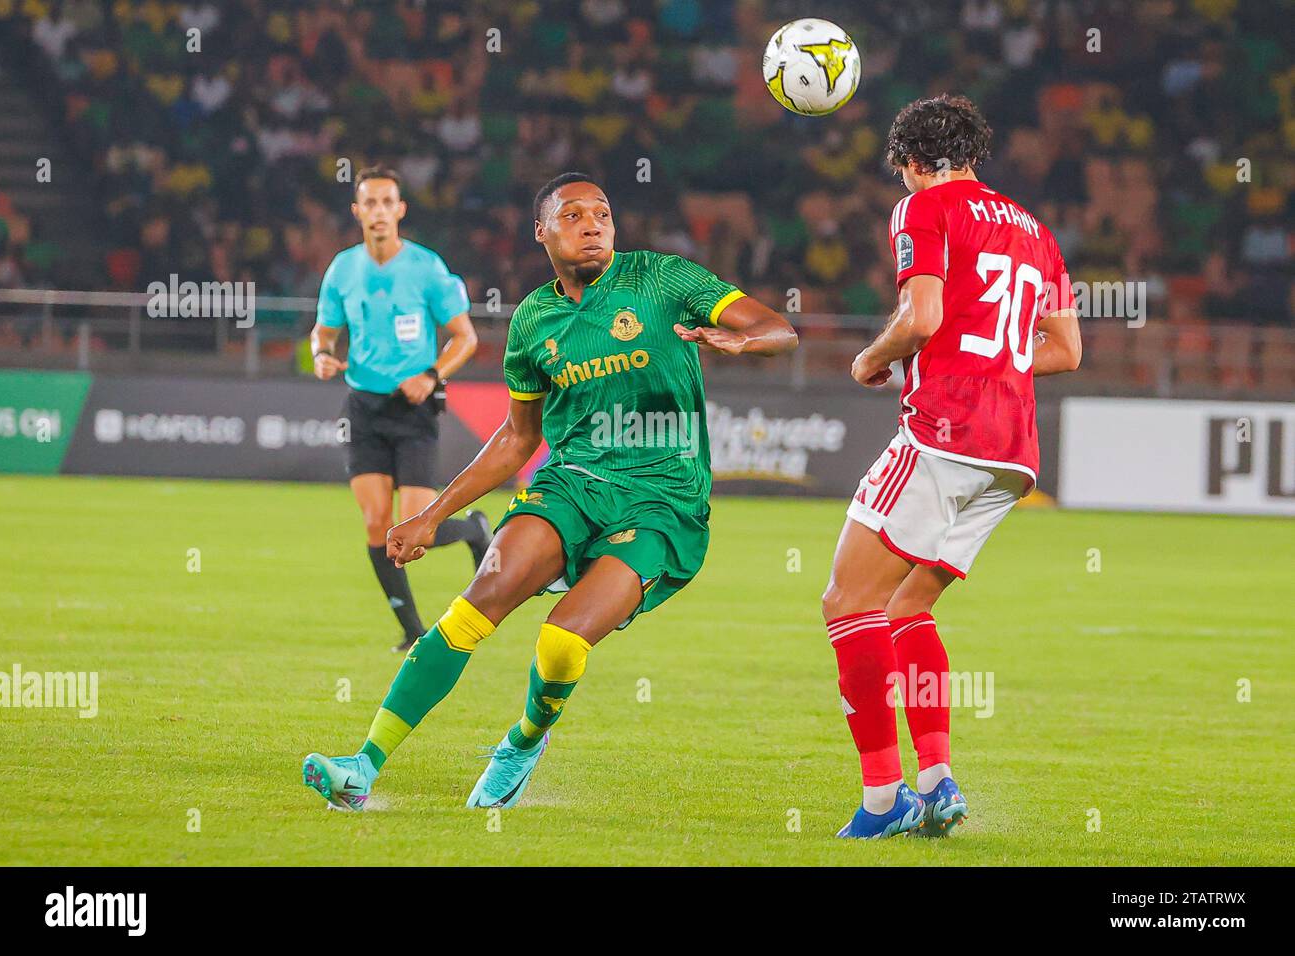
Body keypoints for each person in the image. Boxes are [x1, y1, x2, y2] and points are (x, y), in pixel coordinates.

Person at [302, 172, 798, 811]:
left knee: (562, 641)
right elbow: (516, 440)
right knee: (474, 605)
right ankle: (362, 766)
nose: (593, 224)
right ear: (541, 231)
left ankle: (523, 741)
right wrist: (429, 514)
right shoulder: (535, 320)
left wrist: (742, 338)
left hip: (663, 502)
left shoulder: (663, 280)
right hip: (570, 486)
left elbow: (779, 329)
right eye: (573, 215)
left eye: (603, 212)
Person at [825, 96, 1082, 838]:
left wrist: (871, 358)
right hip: (1013, 455)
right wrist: (998, 350)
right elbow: (1066, 351)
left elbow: (925, 318)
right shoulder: (1037, 231)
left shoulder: (924, 209)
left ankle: (883, 801)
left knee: (847, 604)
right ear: (973, 153)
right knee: (906, 609)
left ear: (909, 162)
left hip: (946, 433)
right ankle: (937, 782)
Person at [311, 165, 492, 653]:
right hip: (363, 407)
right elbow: (323, 334)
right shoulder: (343, 269)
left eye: (387, 202)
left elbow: (465, 337)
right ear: (357, 212)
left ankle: (474, 527)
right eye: (369, 203)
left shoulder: (427, 268)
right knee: (376, 524)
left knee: (414, 535)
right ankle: (412, 629)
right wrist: (321, 356)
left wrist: (431, 374)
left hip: (413, 412)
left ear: (400, 210)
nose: (378, 211)